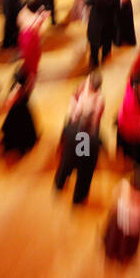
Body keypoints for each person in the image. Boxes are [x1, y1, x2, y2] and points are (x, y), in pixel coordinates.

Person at [54, 71, 105, 204]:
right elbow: (96, 119)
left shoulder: (80, 90)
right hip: (85, 134)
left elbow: (72, 110)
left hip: (73, 129)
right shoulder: (99, 99)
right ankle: (79, 197)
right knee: (84, 168)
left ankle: (59, 184)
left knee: (67, 159)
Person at [103, 175, 140, 262]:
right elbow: (115, 199)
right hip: (119, 220)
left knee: (126, 242)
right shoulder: (124, 186)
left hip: (132, 224)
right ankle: (112, 253)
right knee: (115, 238)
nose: (134, 194)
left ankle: (122, 256)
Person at [0, 67, 38, 157]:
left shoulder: (16, 88)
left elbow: (9, 102)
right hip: (21, 112)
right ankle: (21, 149)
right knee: (22, 131)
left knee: (15, 131)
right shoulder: (21, 88)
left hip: (17, 112)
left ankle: (15, 148)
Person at [85, 0, 121, 69]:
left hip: (95, 26)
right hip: (108, 26)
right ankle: (105, 59)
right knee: (107, 45)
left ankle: (94, 63)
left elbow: (87, 2)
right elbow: (118, 10)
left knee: (94, 48)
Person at [115, 77, 140, 171]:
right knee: (134, 157)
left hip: (133, 134)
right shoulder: (130, 101)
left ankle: (136, 170)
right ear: (135, 87)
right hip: (128, 134)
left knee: (137, 158)